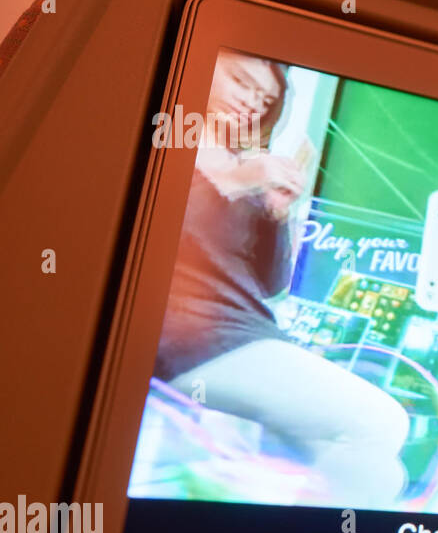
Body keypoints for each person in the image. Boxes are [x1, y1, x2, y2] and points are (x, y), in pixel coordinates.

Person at [154, 50, 409, 509]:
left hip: (252, 334)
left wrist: (276, 214)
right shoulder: (169, 131)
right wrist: (237, 177)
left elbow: (271, 283)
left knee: (386, 474)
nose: (250, 102)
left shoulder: (244, 157)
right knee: (382, 423)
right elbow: (154, 233)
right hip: (193, 339)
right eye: (239, 81)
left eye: (264, 97)